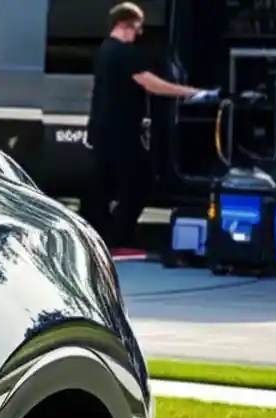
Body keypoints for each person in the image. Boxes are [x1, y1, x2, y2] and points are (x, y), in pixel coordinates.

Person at [81, 2, 217, 248]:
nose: (140, 33)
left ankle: (97, 236)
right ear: (124, 24)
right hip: (121, 131)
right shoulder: (124, 54)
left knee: (102, 185)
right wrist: (193, 93)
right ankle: (119, 237)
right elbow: (152, 84)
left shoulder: (104, 50)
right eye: (137, 27)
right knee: (139, 182)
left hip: (103, 128)